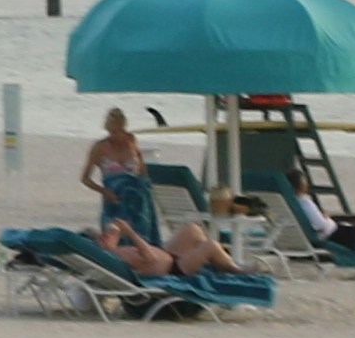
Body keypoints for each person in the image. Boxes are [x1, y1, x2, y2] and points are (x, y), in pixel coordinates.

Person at [80, 112, 237, 277]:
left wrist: (145, 187)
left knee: (151, 241)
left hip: (138, 203)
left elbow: (142, 172)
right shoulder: (99, 148)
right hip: (115, 204)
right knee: (119, 246)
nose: (116, 135)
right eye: (112, 132)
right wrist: (104, 191)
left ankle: (210, 261)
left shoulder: (131, 140)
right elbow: (85, 178)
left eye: (118, 130)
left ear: (123, 127)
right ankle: (209, 261)